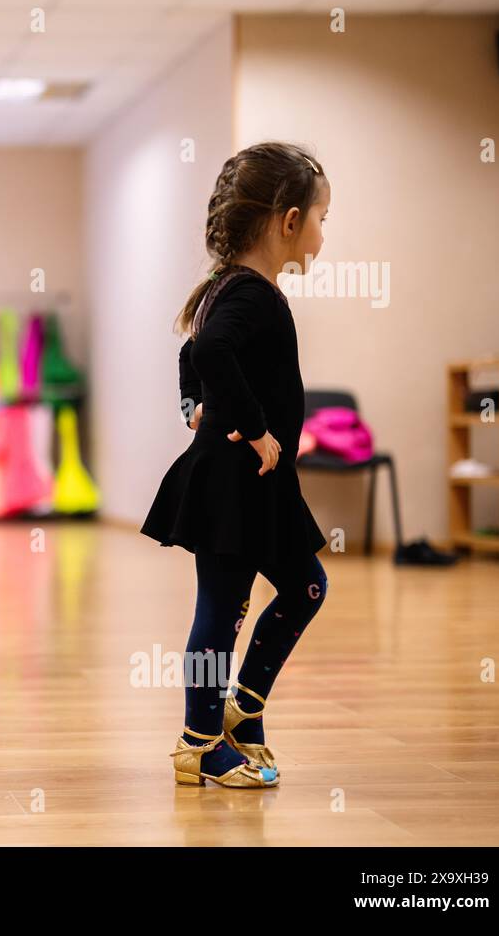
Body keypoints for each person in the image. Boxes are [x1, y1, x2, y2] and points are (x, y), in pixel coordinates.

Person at [141, 142, 332, 787]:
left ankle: (241, 714)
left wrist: (194, 403)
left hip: (258, 487)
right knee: (221, 610)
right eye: (321, 218)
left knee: (306, 587)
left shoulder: (232, 288)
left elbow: (192, 355)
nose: (322, 232)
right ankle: (199, 743)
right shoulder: (251, 295)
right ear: (288, 220)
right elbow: (213, 351)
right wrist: (253, 428)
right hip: (233, 484)